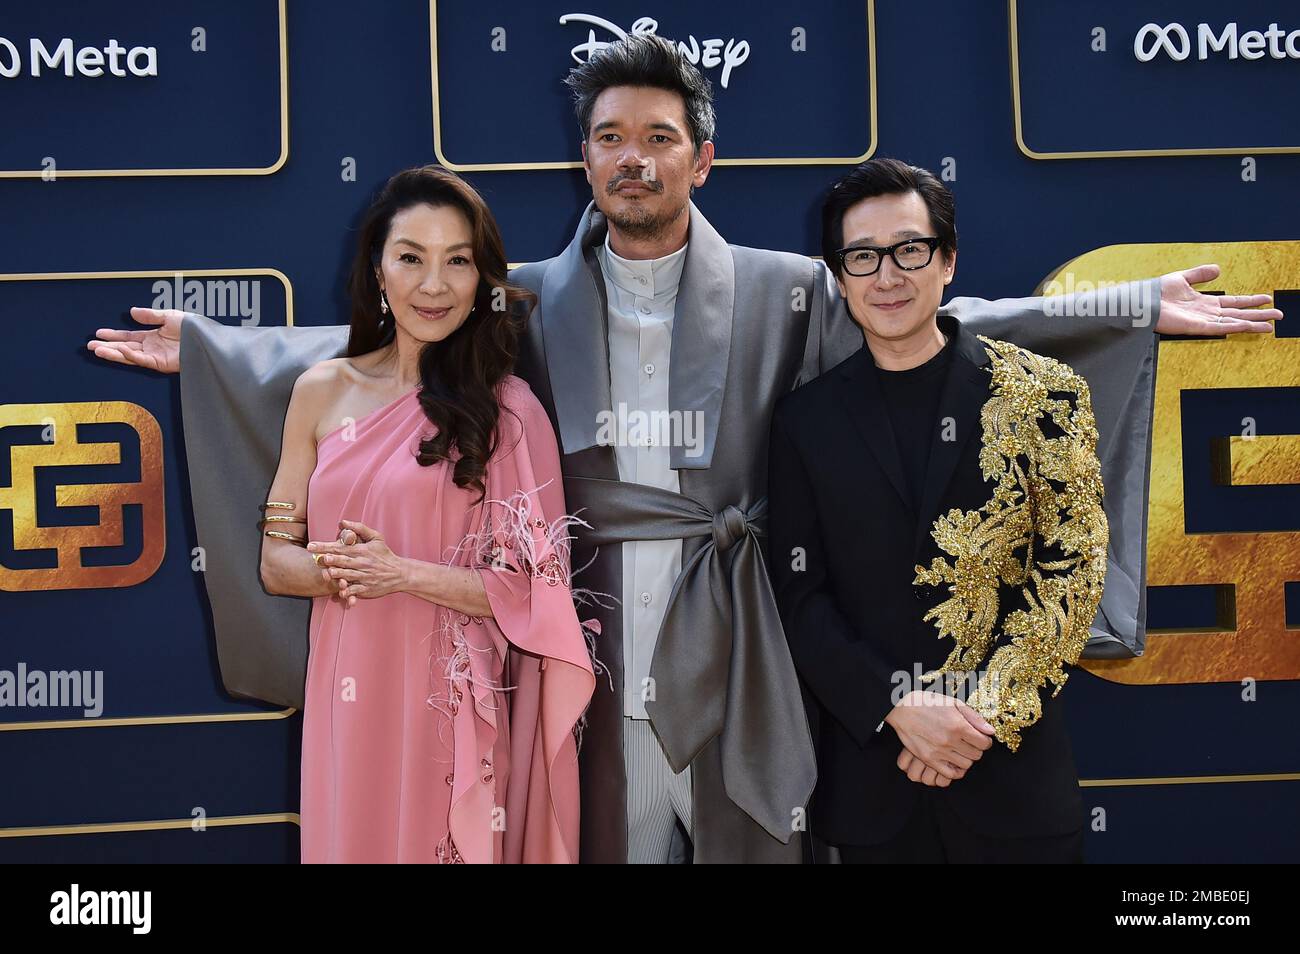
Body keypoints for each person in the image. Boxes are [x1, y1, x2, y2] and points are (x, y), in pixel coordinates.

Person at [87, 36, 1280, 864]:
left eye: (659, 136)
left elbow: (928, 317)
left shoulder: (789, 292)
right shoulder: (521, 303)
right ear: (586, 162)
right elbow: (392, 337)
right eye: (609, 137)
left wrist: (1120, 311)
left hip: (748, 625)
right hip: (581, 631)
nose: (632, 157)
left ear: (700, 161)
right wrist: (215, 349)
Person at [770, 158, 1111, 862]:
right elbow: (798, 597)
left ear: (947, 261)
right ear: (839, 276)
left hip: (1016, 787)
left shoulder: (1044, 395)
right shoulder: (804, 421)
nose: (887, 276)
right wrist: (896, 708)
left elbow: (1072, 577)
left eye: (909, 250)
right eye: (862, 257)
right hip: (875, 791)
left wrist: (973, 722)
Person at [251, 164, 592, 862]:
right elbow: (276, 562)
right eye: (411, 258)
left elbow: (537, 594)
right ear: (378, 270)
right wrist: (349, 569)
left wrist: (400, 572)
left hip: (449, 708)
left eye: (457, 261)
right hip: (348, 695)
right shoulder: (320, 392)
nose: (433, 285)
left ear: (480, 280)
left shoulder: (510, 413)